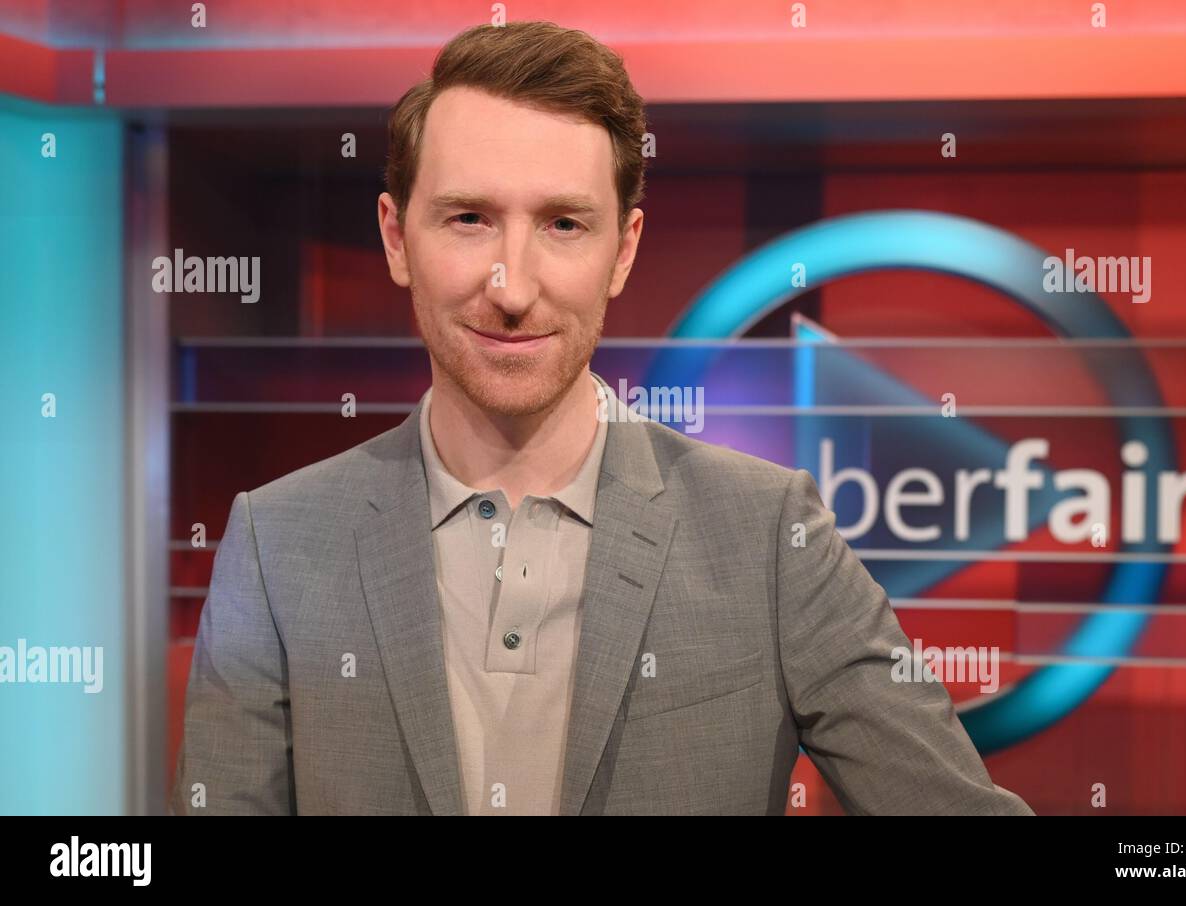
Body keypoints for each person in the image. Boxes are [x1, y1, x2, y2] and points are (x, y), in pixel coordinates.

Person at [170, 20, 1033, 816]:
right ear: (397, 238)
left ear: (622, 250)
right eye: (469, 219)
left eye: (563, 224)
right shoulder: (276, 545)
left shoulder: (767, 537)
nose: (512, 287)